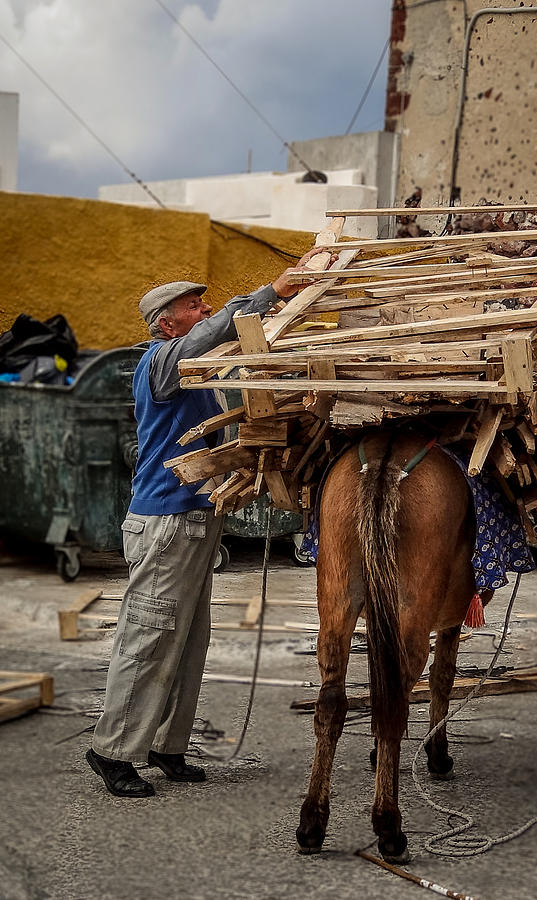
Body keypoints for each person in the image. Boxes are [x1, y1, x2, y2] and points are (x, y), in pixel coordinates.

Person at [87, 250, 324, 797]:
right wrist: (272, 292)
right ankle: (112, 750)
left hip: (194, 521)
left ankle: (166, 746)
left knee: (189, 642)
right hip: (165, 522)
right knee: (148, 637)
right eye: (196, 307)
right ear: (167, 324)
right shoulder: (164, 362)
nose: (208, 309)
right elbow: (215, 333)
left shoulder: (198, 373)